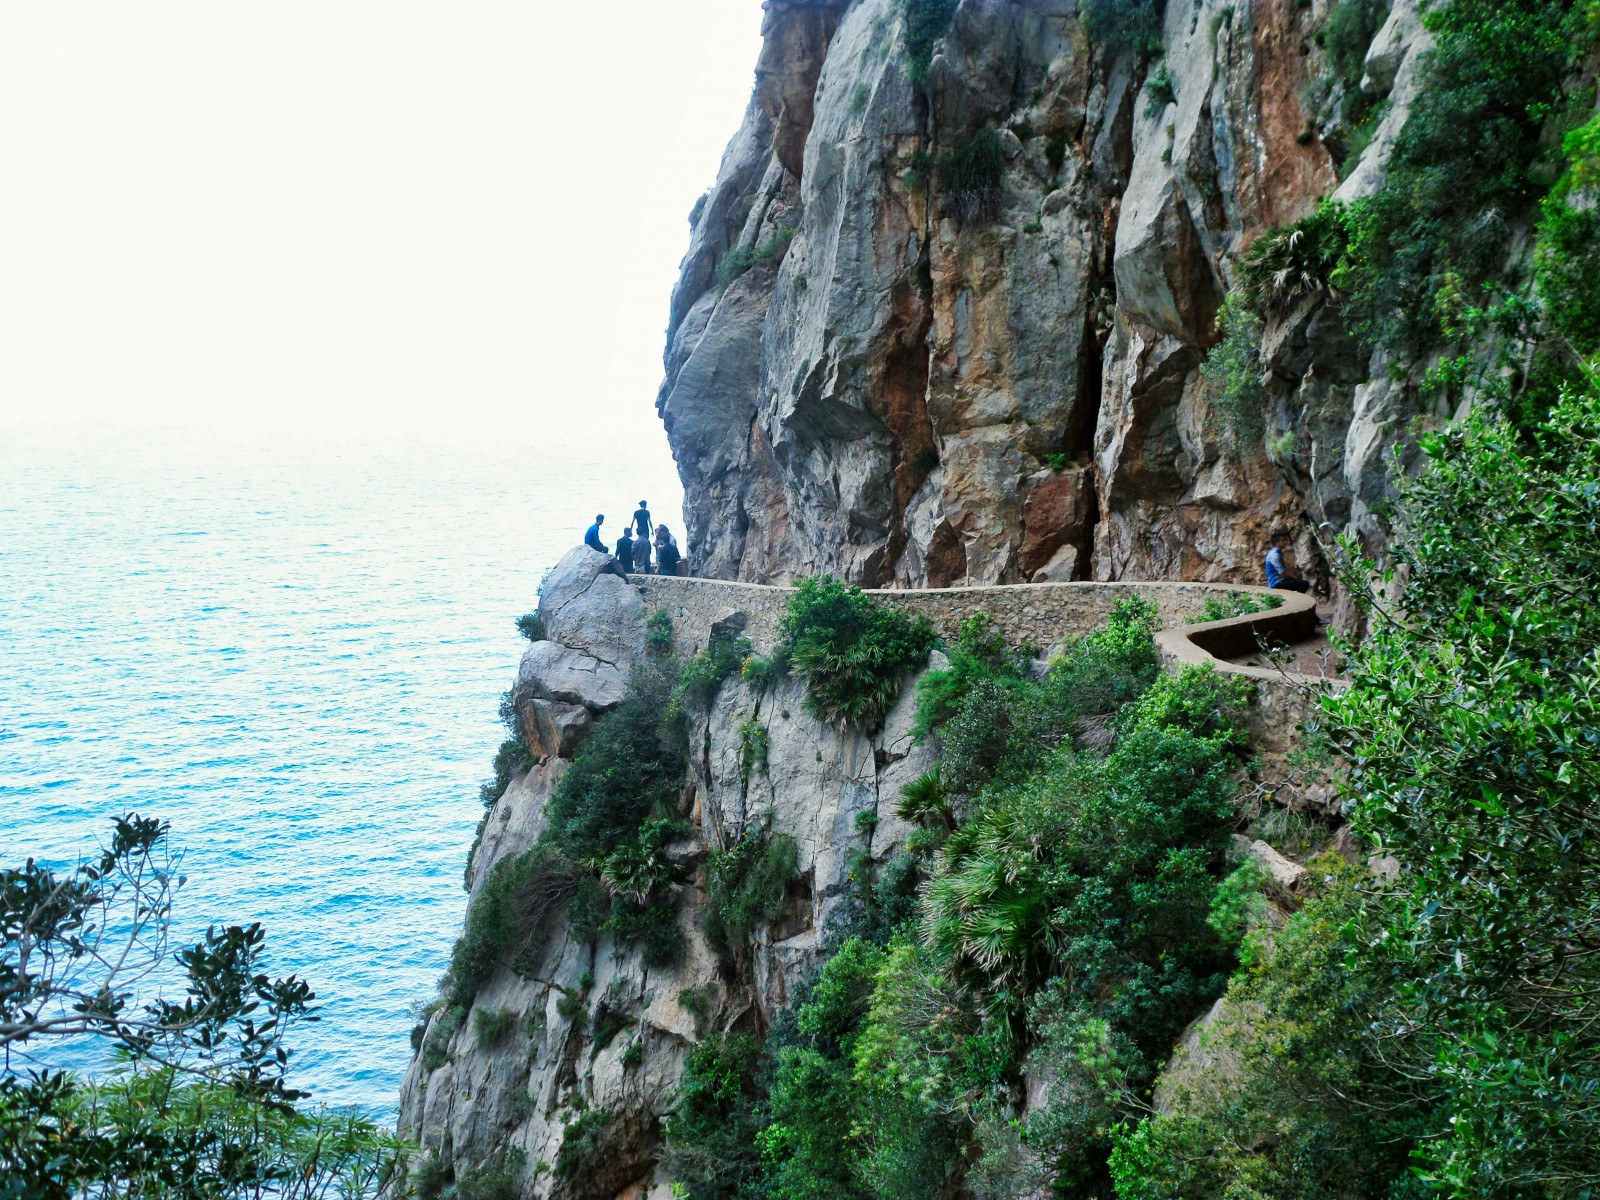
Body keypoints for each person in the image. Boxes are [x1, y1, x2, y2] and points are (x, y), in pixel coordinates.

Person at [632, 502, 654, 570]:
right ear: (645, 506)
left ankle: (639, 561)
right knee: (646, 546)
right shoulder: (647, 512)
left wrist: (630, 529)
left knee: (639, 545)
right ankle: (647, 561)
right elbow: (649, 521)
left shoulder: (636, 512)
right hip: (646, 531)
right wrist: (652, 530)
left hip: (639, 530)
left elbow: (632, 521)